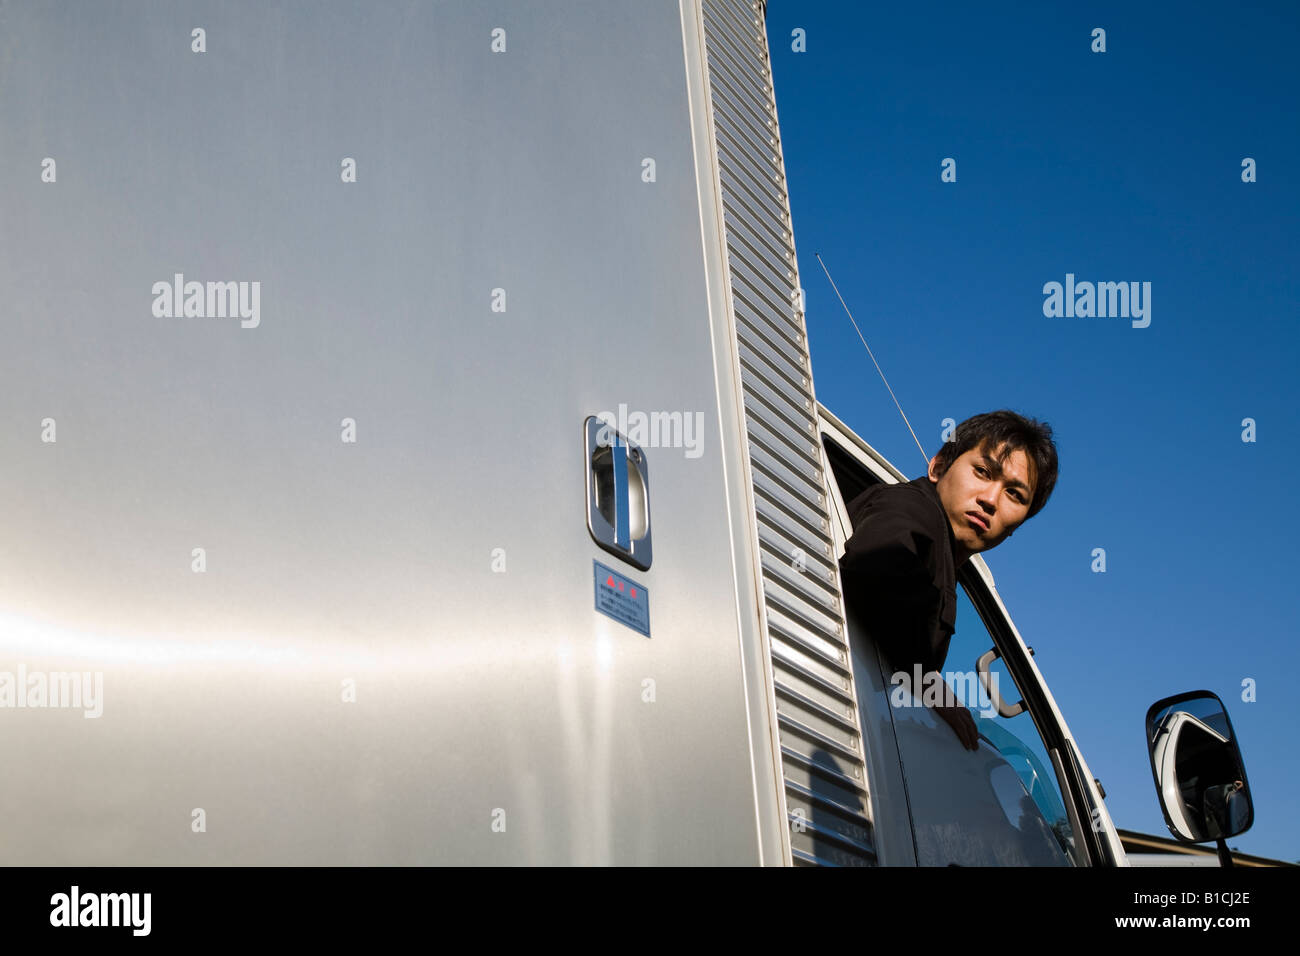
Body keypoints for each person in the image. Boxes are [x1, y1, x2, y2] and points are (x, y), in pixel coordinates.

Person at [839, 410, 1059, 750]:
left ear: (1018, 525)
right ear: (939, 466)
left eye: (1014, 495)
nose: (990, 500)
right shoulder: (915, 512)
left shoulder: (942, 557)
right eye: (983, 472)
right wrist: (927, 681)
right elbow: (875, 567)